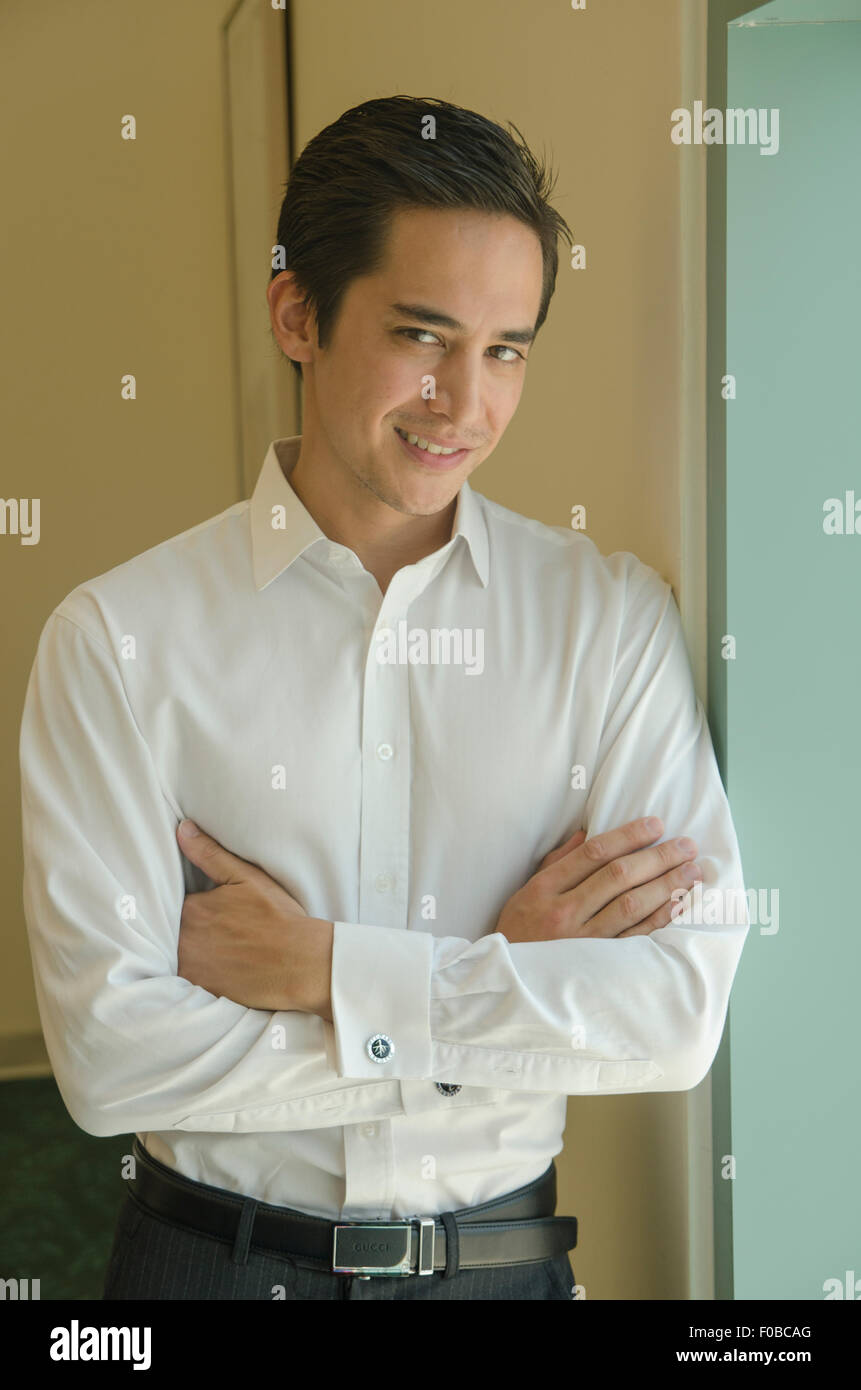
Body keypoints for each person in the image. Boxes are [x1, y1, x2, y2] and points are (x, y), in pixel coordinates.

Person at [19, 95, 749, 1301]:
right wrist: (501, 980)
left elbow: (673, 1015)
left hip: (506, 1270)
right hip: (208, 1267)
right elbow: (110, 1061)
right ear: (296, 311)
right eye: (424, 336)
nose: (466, 403)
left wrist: (322, 970)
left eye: (506, 348)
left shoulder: (609, 621)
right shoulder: (117, 640)